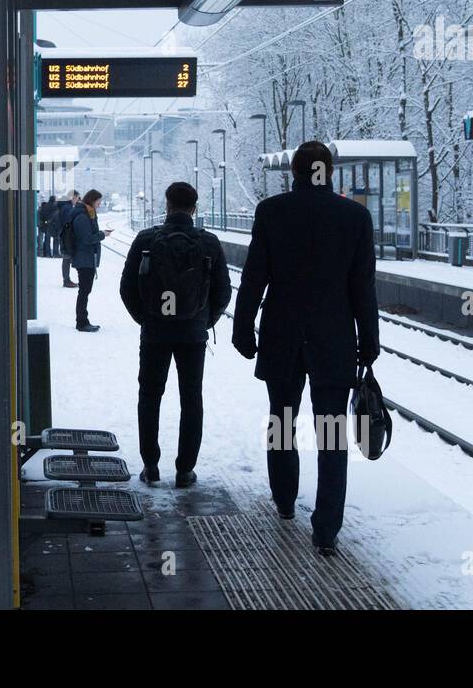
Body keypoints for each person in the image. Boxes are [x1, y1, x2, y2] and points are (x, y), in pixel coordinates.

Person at [232, 140, 380, 556]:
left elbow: (253, 277)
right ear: (328, 171)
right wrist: (369, 341)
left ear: (293, 172)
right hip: (333, 341)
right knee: (331, 433)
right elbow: (362, 288)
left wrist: (243, 328)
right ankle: (327, 528)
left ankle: (284, 499)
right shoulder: (355, 217)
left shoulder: (272, 212)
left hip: (281, 337)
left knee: (281, 420)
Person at [119, 181, 231, 489]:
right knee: (191, 397)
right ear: (195, 208)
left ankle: (151, 465)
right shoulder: (208, 243)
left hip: (155, 332)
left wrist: (146, 318)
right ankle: (185, 470)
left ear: (167, 205)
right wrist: (203, 321)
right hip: (193, 335)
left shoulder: (146, 239)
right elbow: (223, 291)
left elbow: (127, 288)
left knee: (150, 395)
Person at [68, 189, 111, 331]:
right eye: (98, 201)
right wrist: (102, 234)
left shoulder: (89, 214)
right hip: (84, 259)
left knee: (85, 291)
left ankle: (82, 320)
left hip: (87, 258)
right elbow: (86, 239)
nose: (100, 204)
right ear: (92, 200)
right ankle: (81, 322)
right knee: (84, 292)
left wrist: (99, 234)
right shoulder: (82, 216)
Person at [57, 190, 80, 287]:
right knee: (67, 257)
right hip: (66, 235)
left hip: (65, 233)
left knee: (67, 257)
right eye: (77, 198)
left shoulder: (65, 206)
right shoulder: (68, 208)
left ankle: (66, 279)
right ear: (72, 197)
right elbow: (68, 222)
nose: (78, 200)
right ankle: (66, 280)